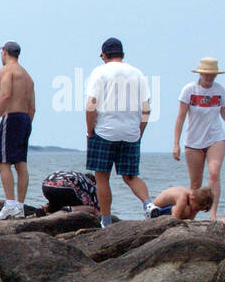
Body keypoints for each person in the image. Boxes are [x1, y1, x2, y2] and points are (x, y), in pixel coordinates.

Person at [173, 58, 225, 219]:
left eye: (213, 75)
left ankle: (212, 213)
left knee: (214, 173)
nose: (210, 78)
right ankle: (191, 216)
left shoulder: (219, 90)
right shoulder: (189, 90)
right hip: (193, 141)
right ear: (200, 73)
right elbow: (180, 118)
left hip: (215, 138)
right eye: (207, 75)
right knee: (195, 184)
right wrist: (176, 144)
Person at [85, 37, 152, 228]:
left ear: (104, 55)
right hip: (131, 131)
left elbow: (91, 106)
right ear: (122, 54)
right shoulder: (138, 74)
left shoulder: (100, 72)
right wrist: (139, 132)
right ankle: (148, 204)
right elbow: (146, 109)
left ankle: (106, 220)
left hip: (104, 131)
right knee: (131, 176)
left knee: (102, 177)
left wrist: (90, 131)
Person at [0, 41, 36, 219]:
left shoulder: (6, 70)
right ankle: (20, 206)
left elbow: (5, 95)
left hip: (12, 116)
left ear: (6, 52)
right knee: (20, 163)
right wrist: (27, 123)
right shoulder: (27, 76)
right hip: (25, 118)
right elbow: (32, 106)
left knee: (2, 161)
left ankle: (9, 203)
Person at [148, 185, 214, 221]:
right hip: (155, 212)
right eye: (197, 209)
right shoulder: (182, 198)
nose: (196, 211)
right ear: (192, 198)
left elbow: (190, 220)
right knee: (186, 210)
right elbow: (174, 218)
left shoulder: (195, 199)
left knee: (189, 210)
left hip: (168, 209)